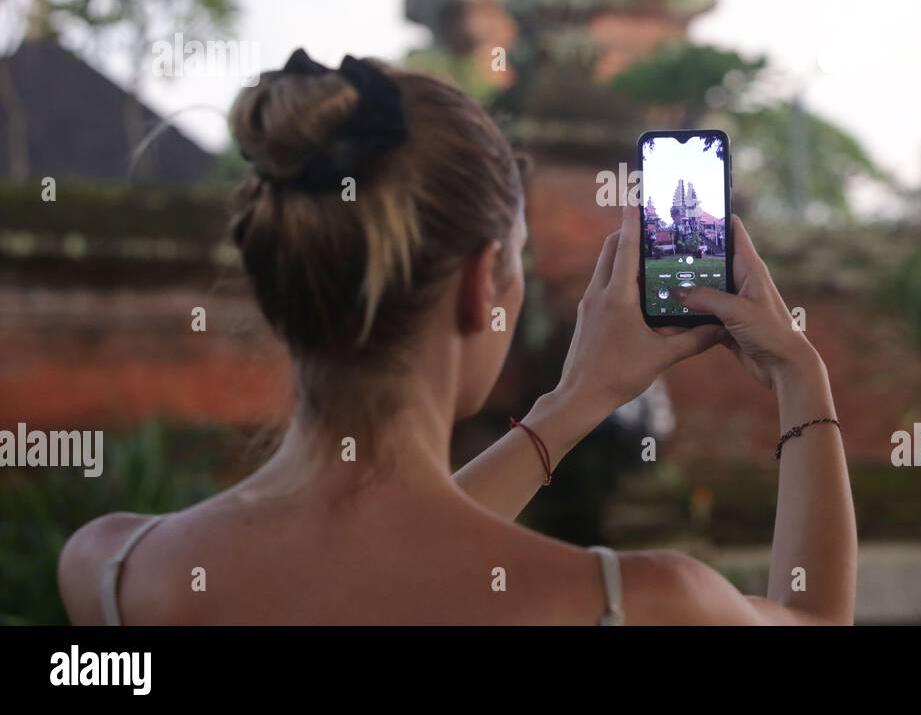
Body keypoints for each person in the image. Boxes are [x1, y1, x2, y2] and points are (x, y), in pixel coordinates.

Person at [58, 50, 857, 625]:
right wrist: (798, 371)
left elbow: (369, 557)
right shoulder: (636, 604)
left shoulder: (115, 571)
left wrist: (571, 406)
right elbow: (815, 616)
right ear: (484, 285)